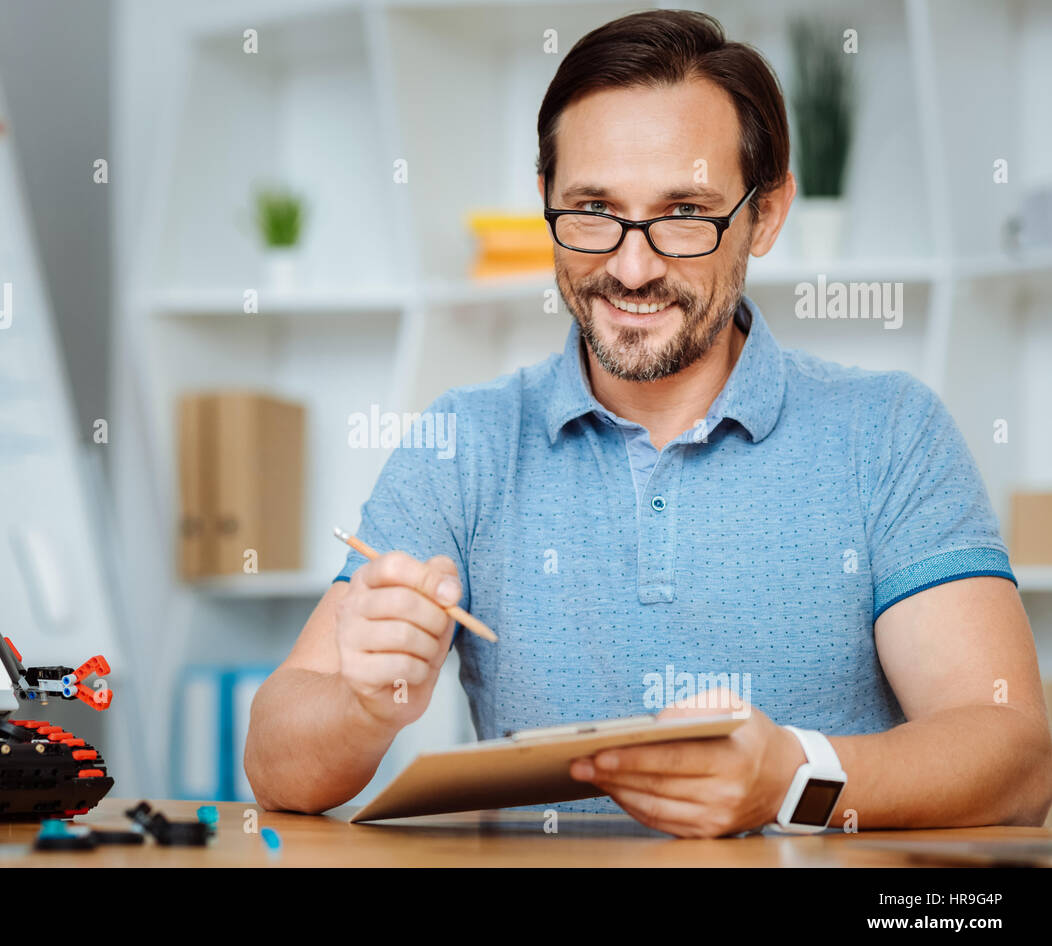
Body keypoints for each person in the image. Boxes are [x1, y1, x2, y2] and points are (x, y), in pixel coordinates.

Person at [244, 9, 1052, 836]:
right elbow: (276, 766)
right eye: (593, 208)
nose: (633, 267)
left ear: (765, 215)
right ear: (544, 204)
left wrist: (791, 778)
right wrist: (361, 702)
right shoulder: (465, 442)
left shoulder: (889, 432)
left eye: (684, 213)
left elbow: (1016, 757)